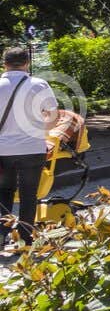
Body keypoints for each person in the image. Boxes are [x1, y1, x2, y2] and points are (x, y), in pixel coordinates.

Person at [0, 44, 60, 253]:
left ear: (4, 63)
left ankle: (1, 235)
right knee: (28, 194)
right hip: (32, 149)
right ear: (27, 63)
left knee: (4, 192)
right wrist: (39, 131)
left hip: (2, 152)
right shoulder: (39, 84)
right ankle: (25, 238)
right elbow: (53, 117)